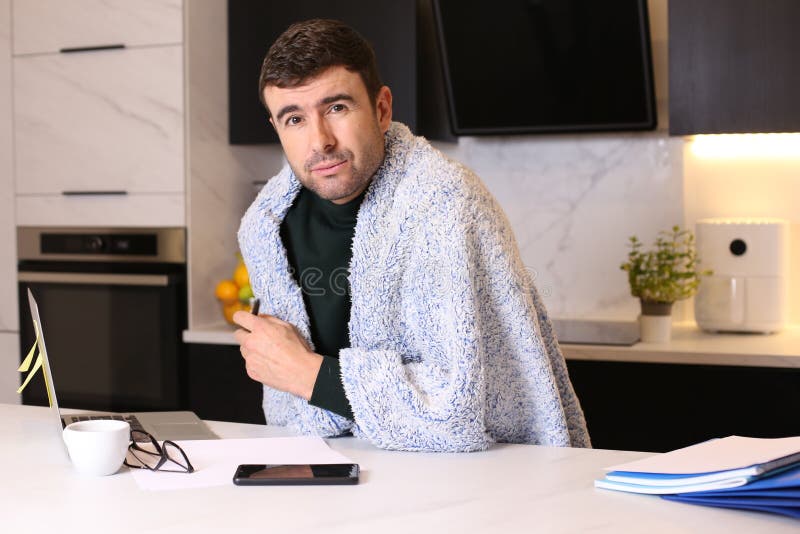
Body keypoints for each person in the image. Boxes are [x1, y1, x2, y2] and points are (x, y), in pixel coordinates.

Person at [234, 18, 590, 452]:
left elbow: (455, 409)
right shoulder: (266, 227)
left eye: (337, 108)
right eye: (294, 119)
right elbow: (288, 402)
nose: (320, 141)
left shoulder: (445, 203)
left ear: (382, 109)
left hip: (481, 470)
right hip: (330, 467)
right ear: (277, 128)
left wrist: (305, 372)